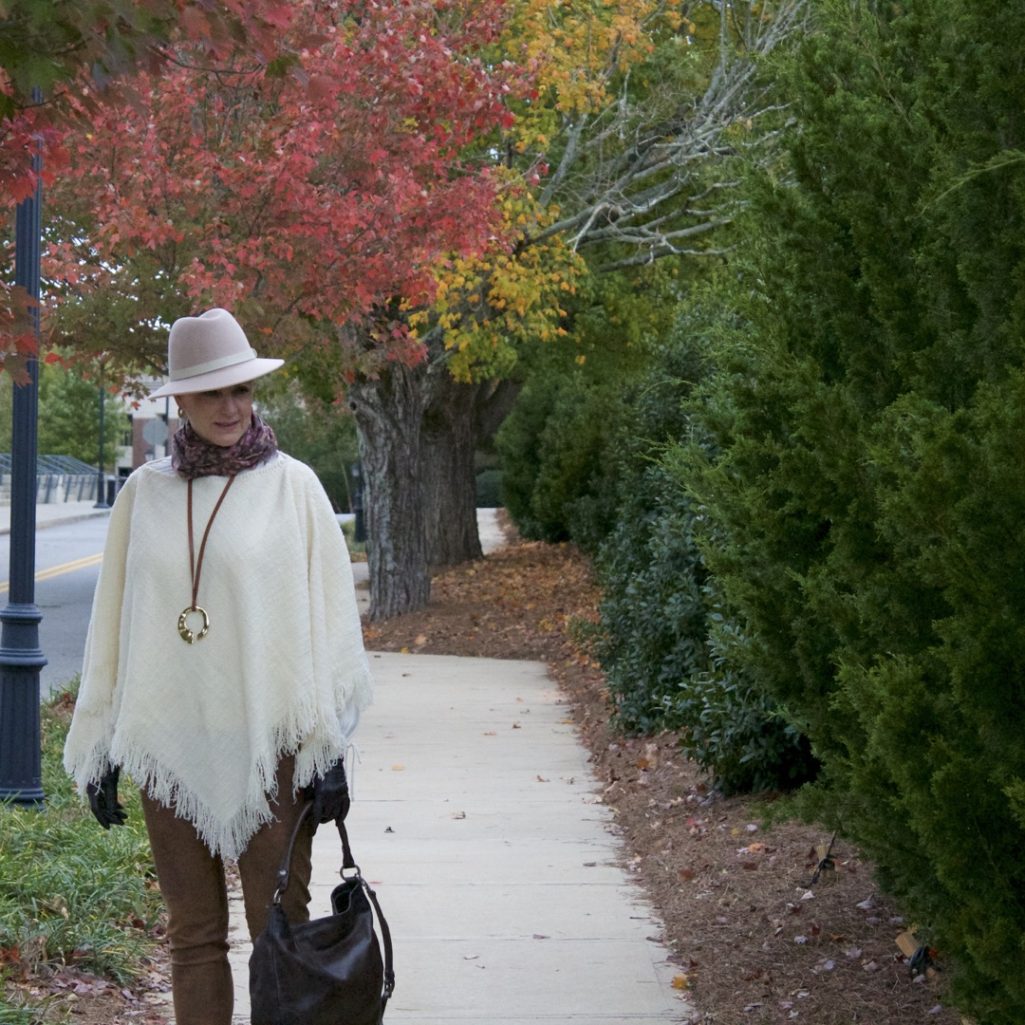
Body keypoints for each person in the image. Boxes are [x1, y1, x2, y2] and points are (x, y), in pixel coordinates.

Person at [63, 308, 374, 1025]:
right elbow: (116, 624)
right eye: (211, 394)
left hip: (272, 746)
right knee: (193, 935)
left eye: (240, 389)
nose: (230, 407)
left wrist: (327, 749)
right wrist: (107, 741)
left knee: (280, 930)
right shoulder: (144, 494)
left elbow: (329, 626)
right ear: (180, 401)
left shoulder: (292, 487)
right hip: (171, 741)